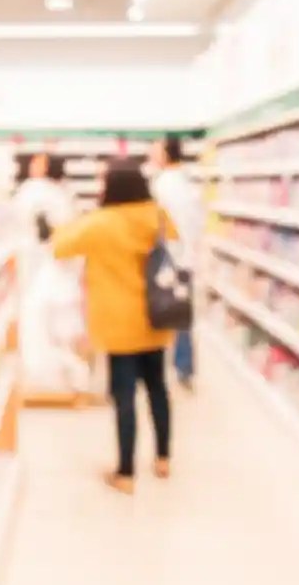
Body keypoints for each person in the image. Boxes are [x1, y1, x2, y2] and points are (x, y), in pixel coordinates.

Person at [51, 163, 177, 495]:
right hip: (157, 314)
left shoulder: (100, 223)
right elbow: (176, 243)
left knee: (124, 397)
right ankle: (163, 458)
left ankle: (125, 472)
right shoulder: (158, 215)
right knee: (158, 389)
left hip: (119, 322)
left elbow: (60, 246)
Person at [12, 153, 91, 397]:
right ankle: (69, 378)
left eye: (37, 162)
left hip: (39, 266)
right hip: (60, 266)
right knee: (57, 328)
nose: (31, 166)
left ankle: (54, 378)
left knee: (37, 324)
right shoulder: (63, 194)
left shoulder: (32, 191)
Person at [148, 135, 203, 390]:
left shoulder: (164, 184)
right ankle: (184, 368)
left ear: (167, 154)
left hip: (168, 255)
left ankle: (162, 364)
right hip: (185, 256)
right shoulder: (187, 181)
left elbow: (158, 221)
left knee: (161, 309)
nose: (152, 154)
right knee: (181, 312)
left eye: (156, 150)